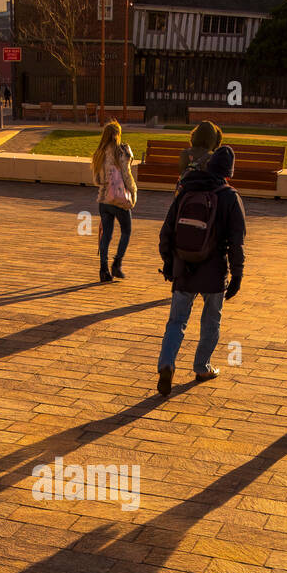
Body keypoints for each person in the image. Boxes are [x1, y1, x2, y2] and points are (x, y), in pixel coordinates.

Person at [156, 144, 245, 394]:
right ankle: (202, 366)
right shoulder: (230, 197)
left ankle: (166, 363)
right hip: (214, 271)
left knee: (176, 321)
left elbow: (167, 230)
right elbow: (236, 242)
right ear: (229, 172)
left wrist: (168, 262)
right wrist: (237, 273)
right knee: (211, 320)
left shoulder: (186, 189)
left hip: (184, 267)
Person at [92, 120, 136, 283]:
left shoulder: (99, 153)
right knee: (126, 231)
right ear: (117, 134)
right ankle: (117, 263)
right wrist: (133, 192)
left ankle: (103, 269)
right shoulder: (122, 151)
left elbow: (97, 179)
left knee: (106, 235)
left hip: (104, 200)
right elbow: (127, 175)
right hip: (119, 199)